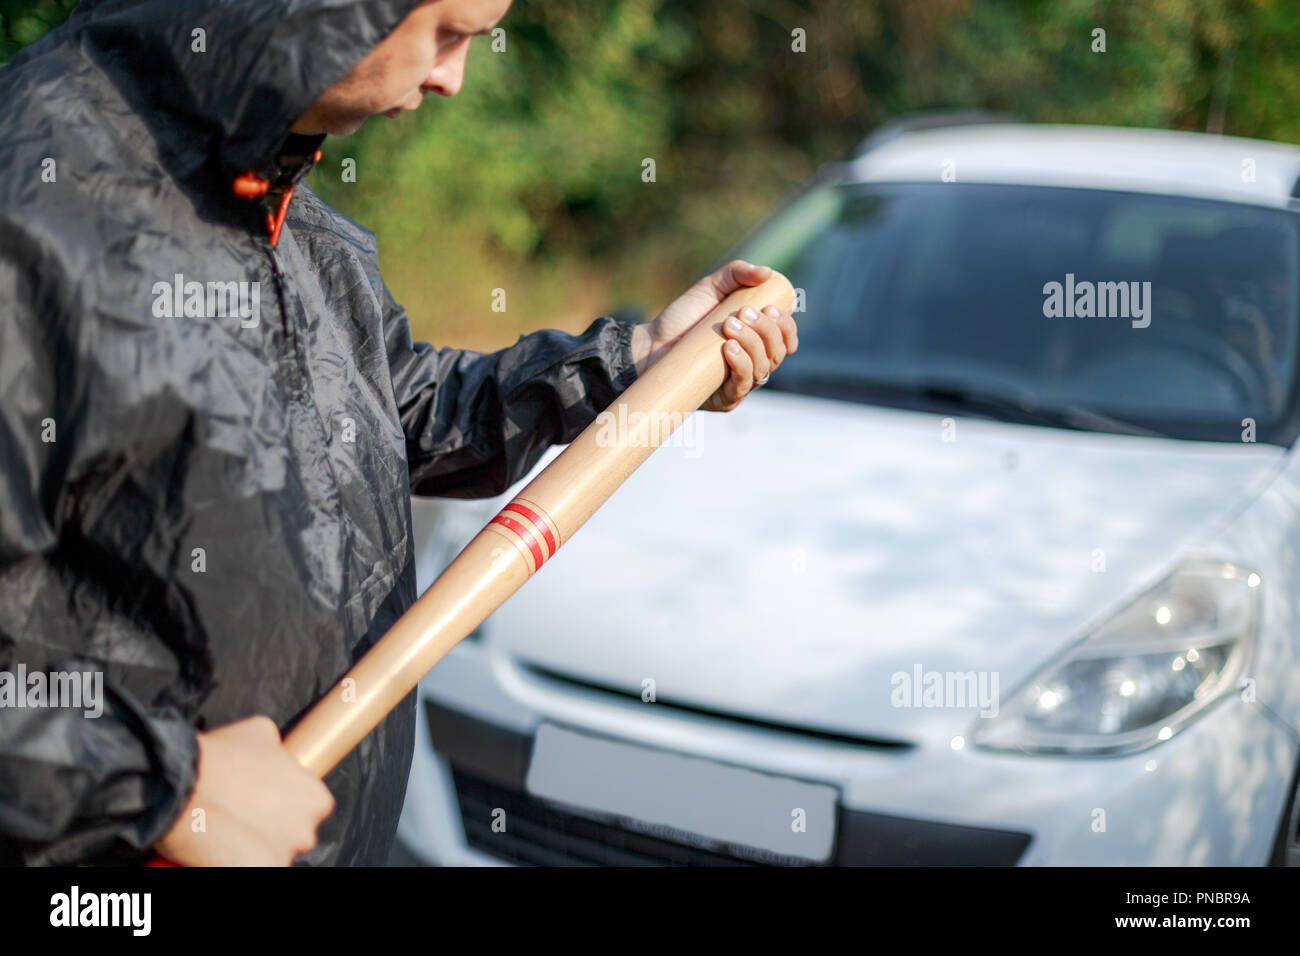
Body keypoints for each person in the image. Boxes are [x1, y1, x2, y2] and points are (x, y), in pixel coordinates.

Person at [0, 0, 797, 866]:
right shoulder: (34, 219)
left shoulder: (281, 210)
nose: (451, 77)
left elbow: (393, 409)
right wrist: (165, 786)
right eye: (446, 32)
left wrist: (631, 358)